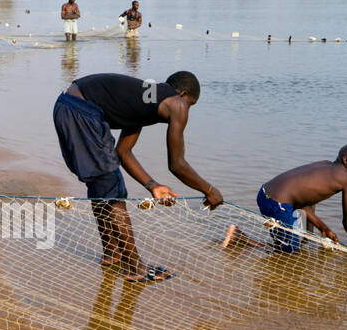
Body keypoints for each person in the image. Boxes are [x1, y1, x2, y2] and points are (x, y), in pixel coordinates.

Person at [52, 71, 223, 282]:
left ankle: (111, 253)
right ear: (183, 94)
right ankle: (135, 267)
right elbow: (177, 164)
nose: (187, 111)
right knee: (111, 185)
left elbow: (123, 152)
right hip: (81, 111)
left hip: (69, 107)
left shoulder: (144, 99)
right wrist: (209, 190)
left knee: (102, 183)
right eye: (191, 104)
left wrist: (152, 186)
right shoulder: (177, 103)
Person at [248, 144, 347, 252]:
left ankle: (300, 238)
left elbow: (304, 203)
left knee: (291, 241)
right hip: (278, 204)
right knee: (288, 251)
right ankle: (240, 237)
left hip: (265, 193)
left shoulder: (324, 165)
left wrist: (323, 229)